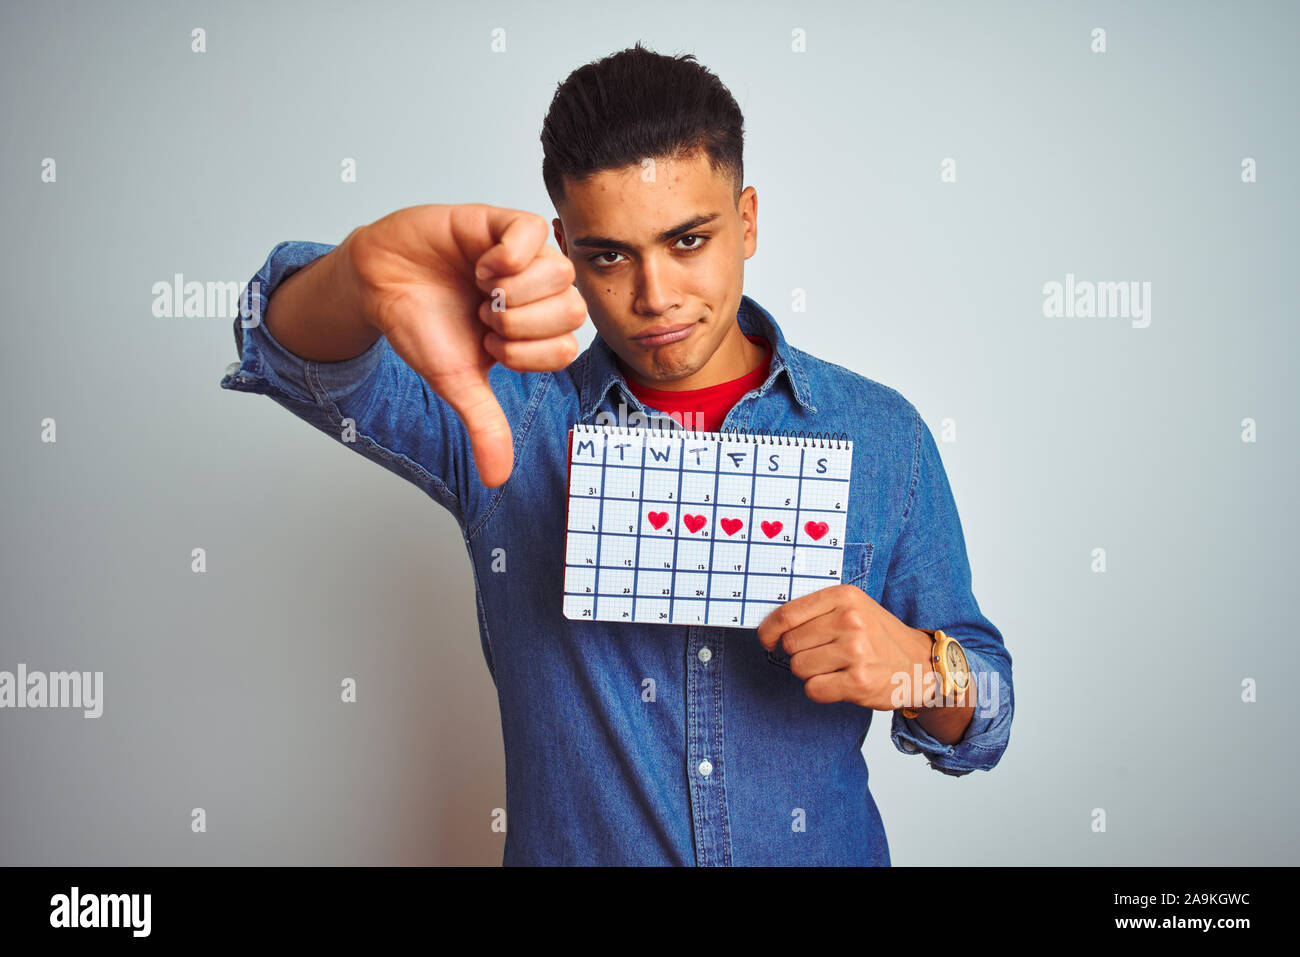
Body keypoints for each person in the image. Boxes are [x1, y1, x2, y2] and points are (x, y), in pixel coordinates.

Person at [220, 43, 1014, 866]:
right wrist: (355, 276)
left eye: (688, 241)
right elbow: (291, 357)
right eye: (609, 255)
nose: (655, 295)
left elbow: (989, 710)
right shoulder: (507, 411)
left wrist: (925, 669)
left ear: (746, 220)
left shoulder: (882, 432)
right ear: (565, 246)